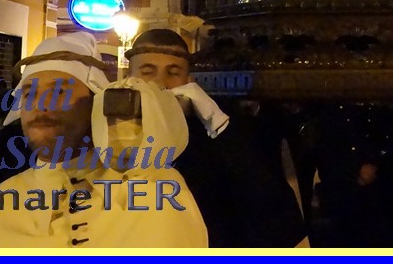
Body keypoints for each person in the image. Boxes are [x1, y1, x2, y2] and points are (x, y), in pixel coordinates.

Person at [0, 32, 208, 248]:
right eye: (30, 94)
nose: (42, 105)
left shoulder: (153, 194)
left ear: (96, 103)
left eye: (59, 92)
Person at [127, 29, 308, 247]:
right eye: (148, 72)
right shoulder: (111, 131)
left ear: (188, 81)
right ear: (129, 77)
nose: (160, 84)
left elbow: (276, 214)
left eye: (173, 73)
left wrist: (220, 126)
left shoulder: (221, 133)